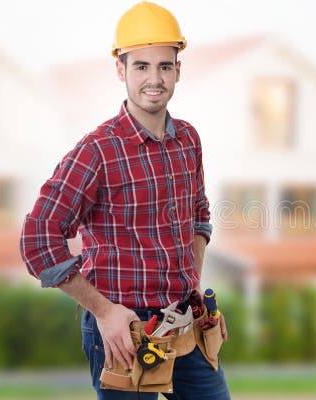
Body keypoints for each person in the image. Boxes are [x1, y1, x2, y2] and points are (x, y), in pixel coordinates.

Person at [19, 2, 230, 399]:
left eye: (165, 66)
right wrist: (104, 311)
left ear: (178, 71)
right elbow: (37, 240)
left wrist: (194, 288)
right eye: (141, 66)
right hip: (123, 330)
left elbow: (197, 216)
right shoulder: (97, 151)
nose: (155, 78)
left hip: (185, 321)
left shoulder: (188, 139)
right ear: (121, 69)